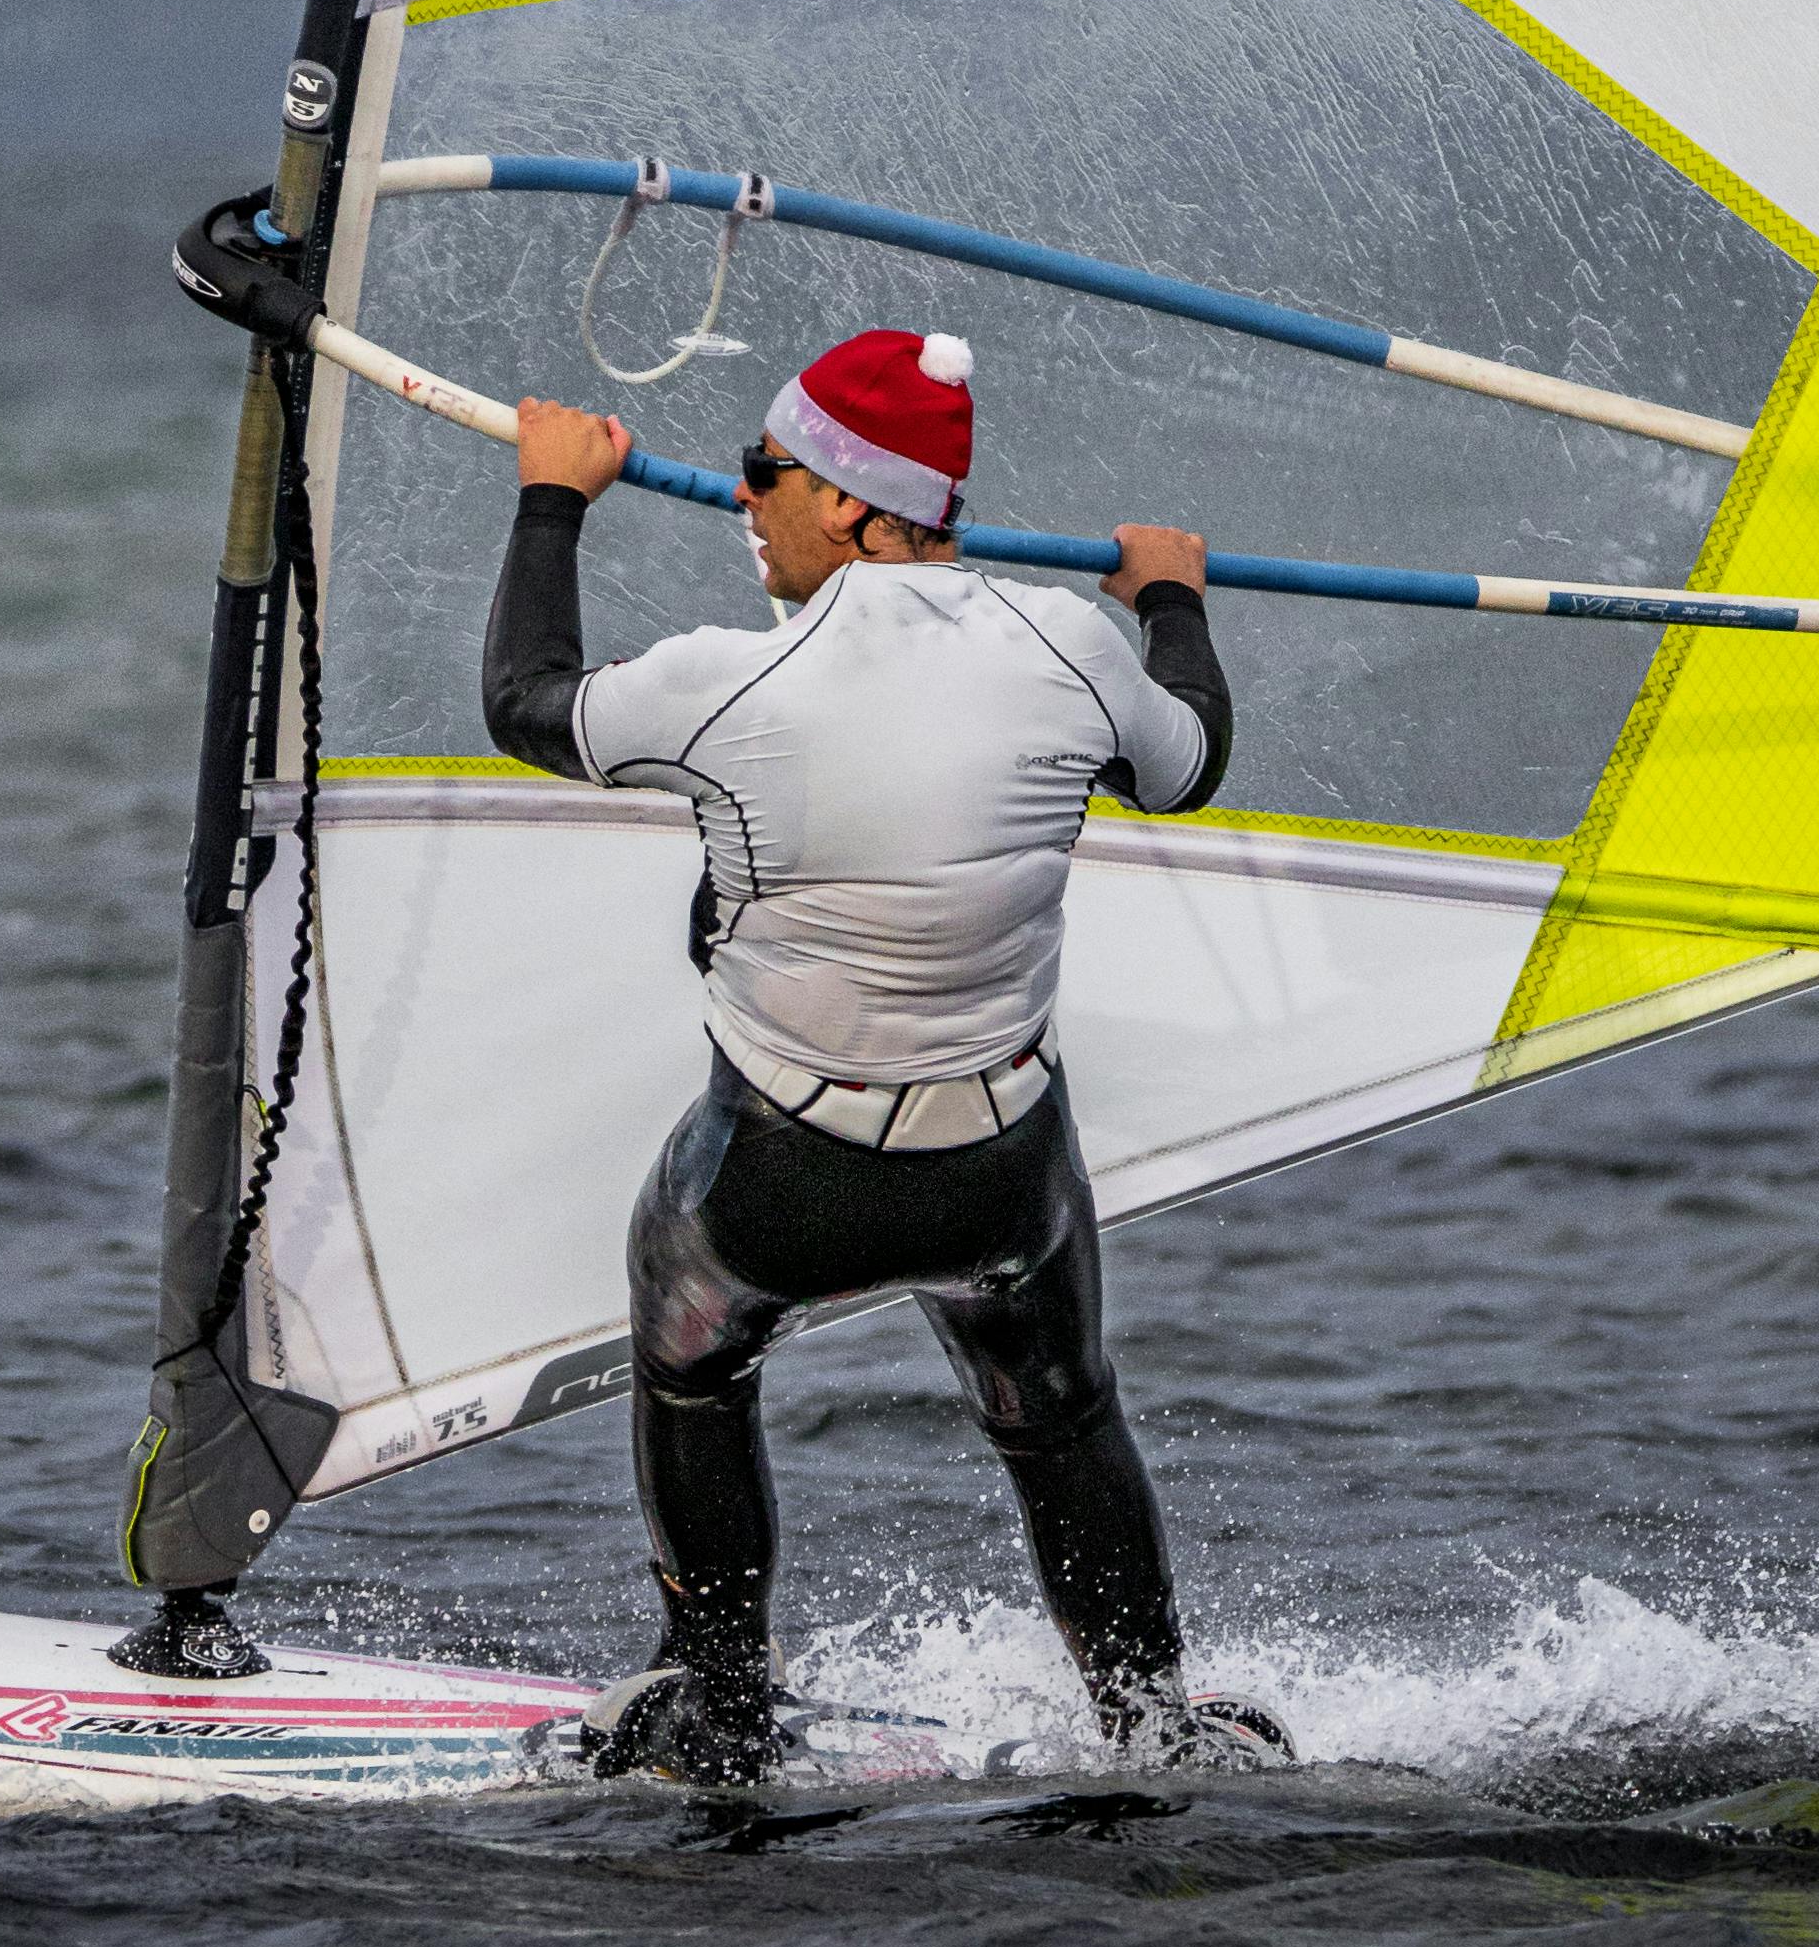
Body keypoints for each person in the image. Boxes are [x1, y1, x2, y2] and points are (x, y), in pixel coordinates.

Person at [483, 320, 1290, 1783]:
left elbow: (524, 704)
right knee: (1059, 1412)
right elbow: (1190, 758)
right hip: (1000, 1177)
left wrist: (554, 497)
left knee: (691, 1357)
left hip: (781, 1180)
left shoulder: (726, 682)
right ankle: (1151, 1718)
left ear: (852, 509)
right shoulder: (1077, 643)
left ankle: (720, 1707)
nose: (741, 498)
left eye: (763, 472)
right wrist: (1171, 596)